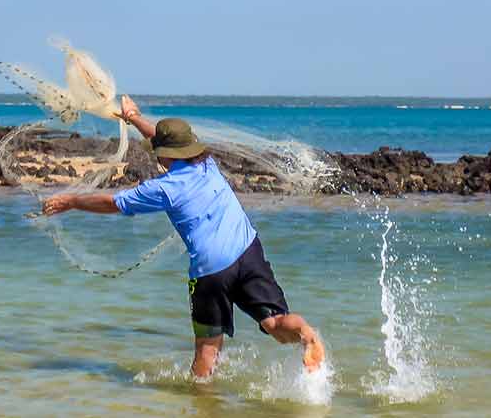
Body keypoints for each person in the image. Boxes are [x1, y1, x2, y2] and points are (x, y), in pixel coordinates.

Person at [41, 95, 325, 378]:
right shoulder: (207, 164)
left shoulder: (164, 188)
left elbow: (113, 203)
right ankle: (306, 334)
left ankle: (201, 402)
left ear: (164, 154)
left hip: (211, 271)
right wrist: (135, 117)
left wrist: (72, 202)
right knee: (275, 324)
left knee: (207, 348)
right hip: (248, 250)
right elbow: (165, 140)